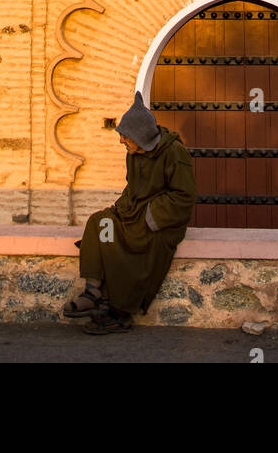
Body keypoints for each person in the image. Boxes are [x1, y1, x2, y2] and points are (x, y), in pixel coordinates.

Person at [62, 91, 198, 335]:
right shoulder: (134, 154)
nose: (122, 141)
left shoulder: (174, 153)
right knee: (100, 223)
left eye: (125, 136)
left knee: (133, 246)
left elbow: (185, 196)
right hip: (135, 213)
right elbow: (133, 188)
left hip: (162, 223)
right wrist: (120, 210)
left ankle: (119, 310)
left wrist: (149, 215)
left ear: (140, 135)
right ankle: (93, 291)